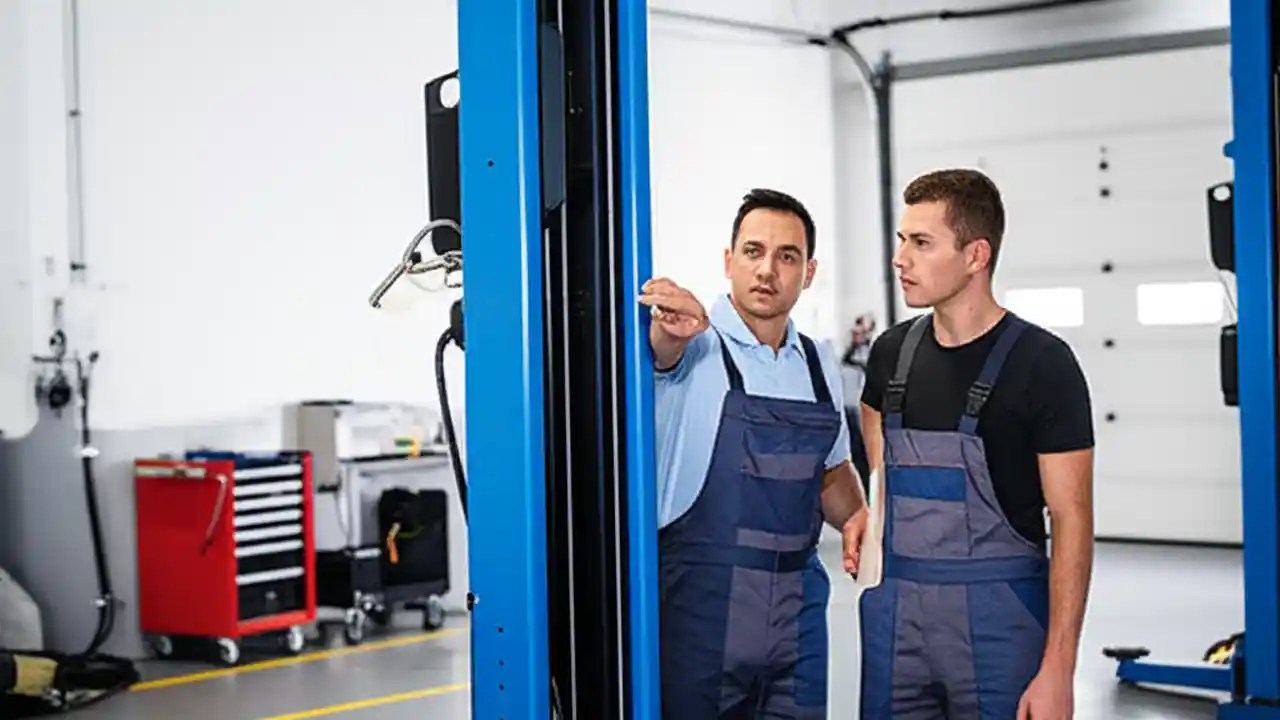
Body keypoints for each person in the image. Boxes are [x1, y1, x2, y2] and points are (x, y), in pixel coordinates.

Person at [858, 168, 1095, 720]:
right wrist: (869, 516)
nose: (900, 259)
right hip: (896, 626)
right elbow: (878, 452)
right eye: (901, 240)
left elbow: (1073, 520)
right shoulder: (890, 355)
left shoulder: (1043, 364)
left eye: (921, 243)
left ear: (975, 255)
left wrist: (1059, 667)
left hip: (1000, 626)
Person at [639, 188, 869, 719]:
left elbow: (832, 471)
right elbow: (660, 356)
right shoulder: (693, 343)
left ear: (808, 273)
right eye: (753, 251)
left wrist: (857, 515)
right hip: (702, 607)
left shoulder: (818, 362)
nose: (767, 269)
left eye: (786, 256)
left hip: (798, 608)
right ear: (728, 260)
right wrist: (666, 336)